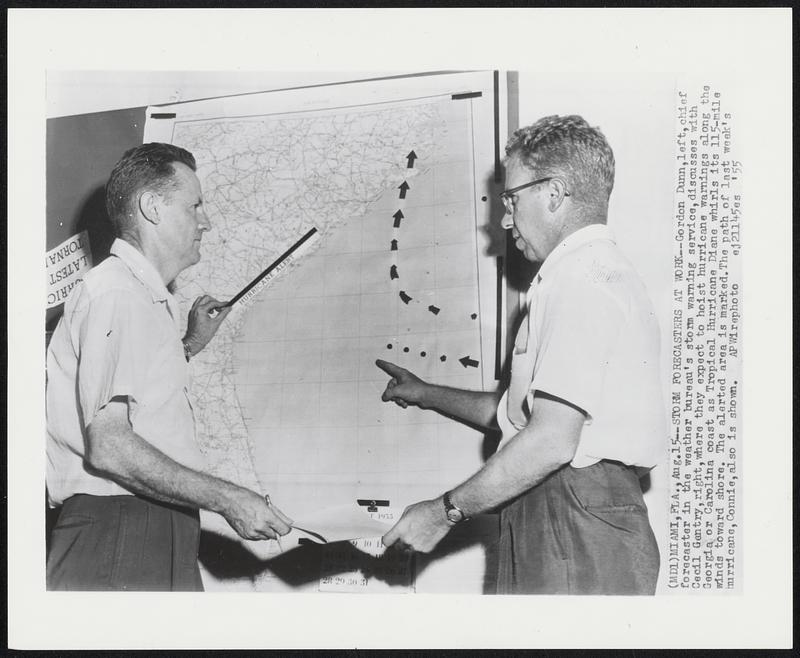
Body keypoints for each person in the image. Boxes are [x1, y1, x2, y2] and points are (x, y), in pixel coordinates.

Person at [377, 115, 667, 595]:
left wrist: (444, 512)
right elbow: (524, 419)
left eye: (511, 199)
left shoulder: (580, 280)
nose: (505, 218)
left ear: (553, 193)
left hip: (570, 513)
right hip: (566, 510)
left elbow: (551, 441)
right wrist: (425, 393)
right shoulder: (593, 274)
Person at [46, 142, 292, 591]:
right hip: (123, 524)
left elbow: (142, 398)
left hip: (145, 522)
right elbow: (110, 447)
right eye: (194, 205)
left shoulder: (136, 295)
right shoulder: (118, 292)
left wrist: (189, 345)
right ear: (153, 207)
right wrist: (230, 498)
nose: (206, 221)